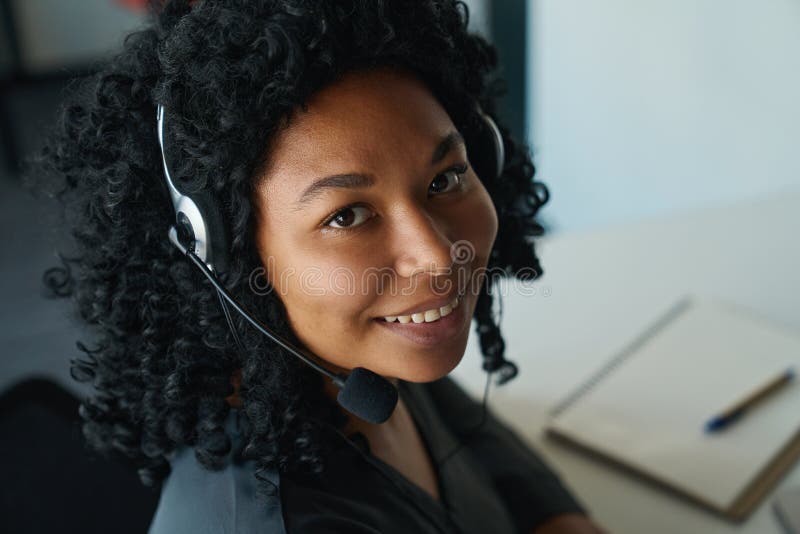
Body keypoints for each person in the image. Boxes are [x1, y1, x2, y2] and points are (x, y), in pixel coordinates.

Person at [32, 1, 607, 532]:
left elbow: (479, 443)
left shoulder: (354, 358)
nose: (436, 258)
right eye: (347, 216)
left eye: (445, 178)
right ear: (223, 254)